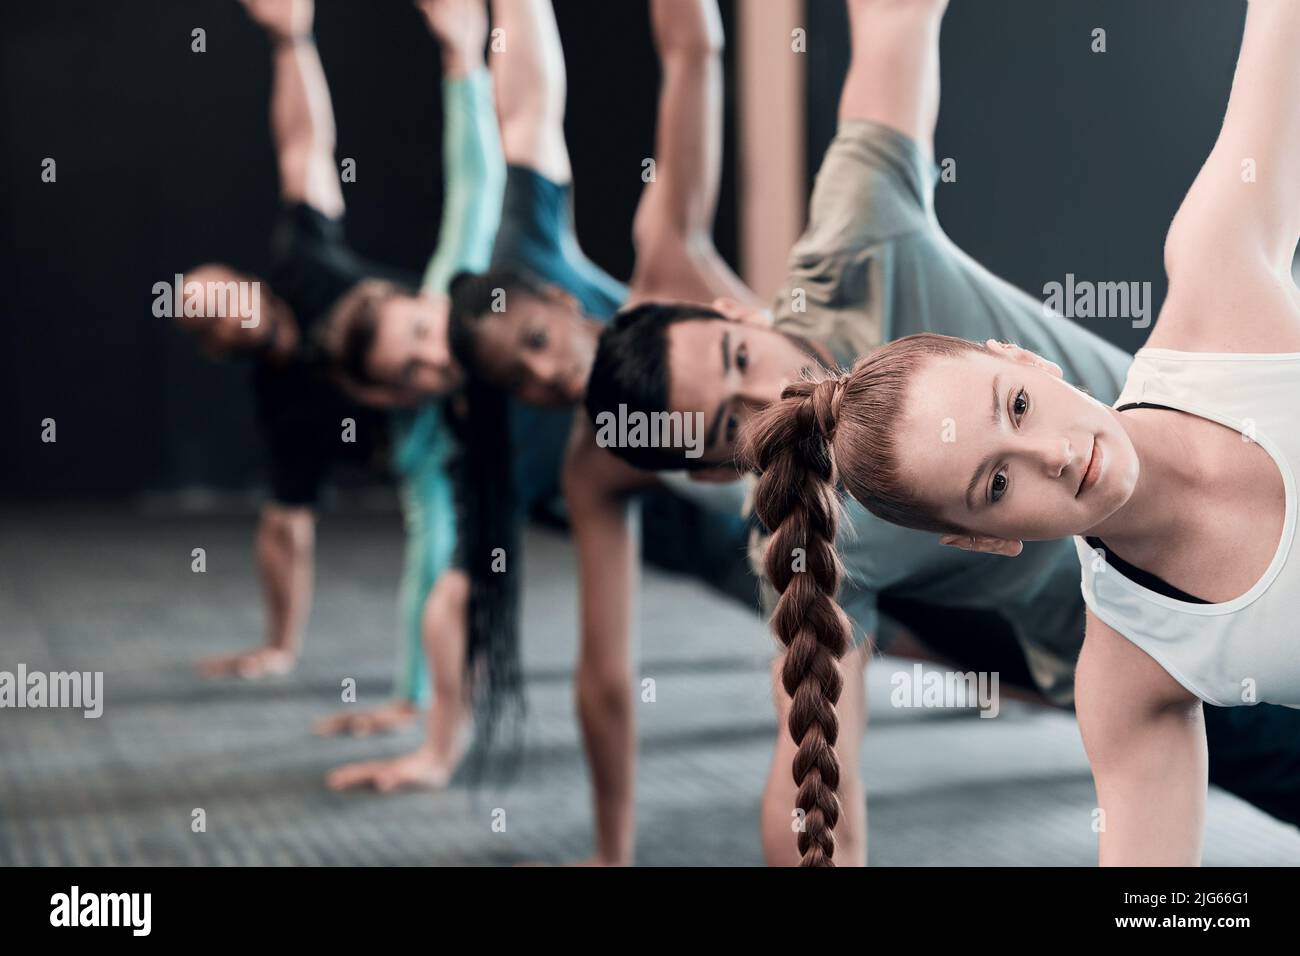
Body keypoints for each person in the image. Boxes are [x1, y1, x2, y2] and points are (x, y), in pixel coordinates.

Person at [582, 0, 1300, 865]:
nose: (1058, 457)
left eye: (1018, 408)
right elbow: (814, 777)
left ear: (1021, 358)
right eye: (995, 484)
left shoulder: (864, 233)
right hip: (1178, 651)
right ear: (711, 474)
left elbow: (895, 23)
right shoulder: (1130, 680)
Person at [324, 0, 760, 798]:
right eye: (410, 374)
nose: (434, 362)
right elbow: (448, 591)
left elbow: (526, 103)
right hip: (737, 554)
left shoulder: (511, 259)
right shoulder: (476, 440)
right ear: (395, 396)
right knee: (960, 647)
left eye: (420, 334)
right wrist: (434, 744)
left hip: (763, 409)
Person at [174, 0, 503, 774]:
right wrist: (283, 645)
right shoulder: (288, 405)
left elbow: (307, 146)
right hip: (442, 436)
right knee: (449, 561)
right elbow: (285, 531)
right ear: (216, 346)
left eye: (222, 292)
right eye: (203, 317)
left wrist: (292, 38)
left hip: (478, 349)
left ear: (249, 284)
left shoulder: (327, 263)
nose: (225, 312)